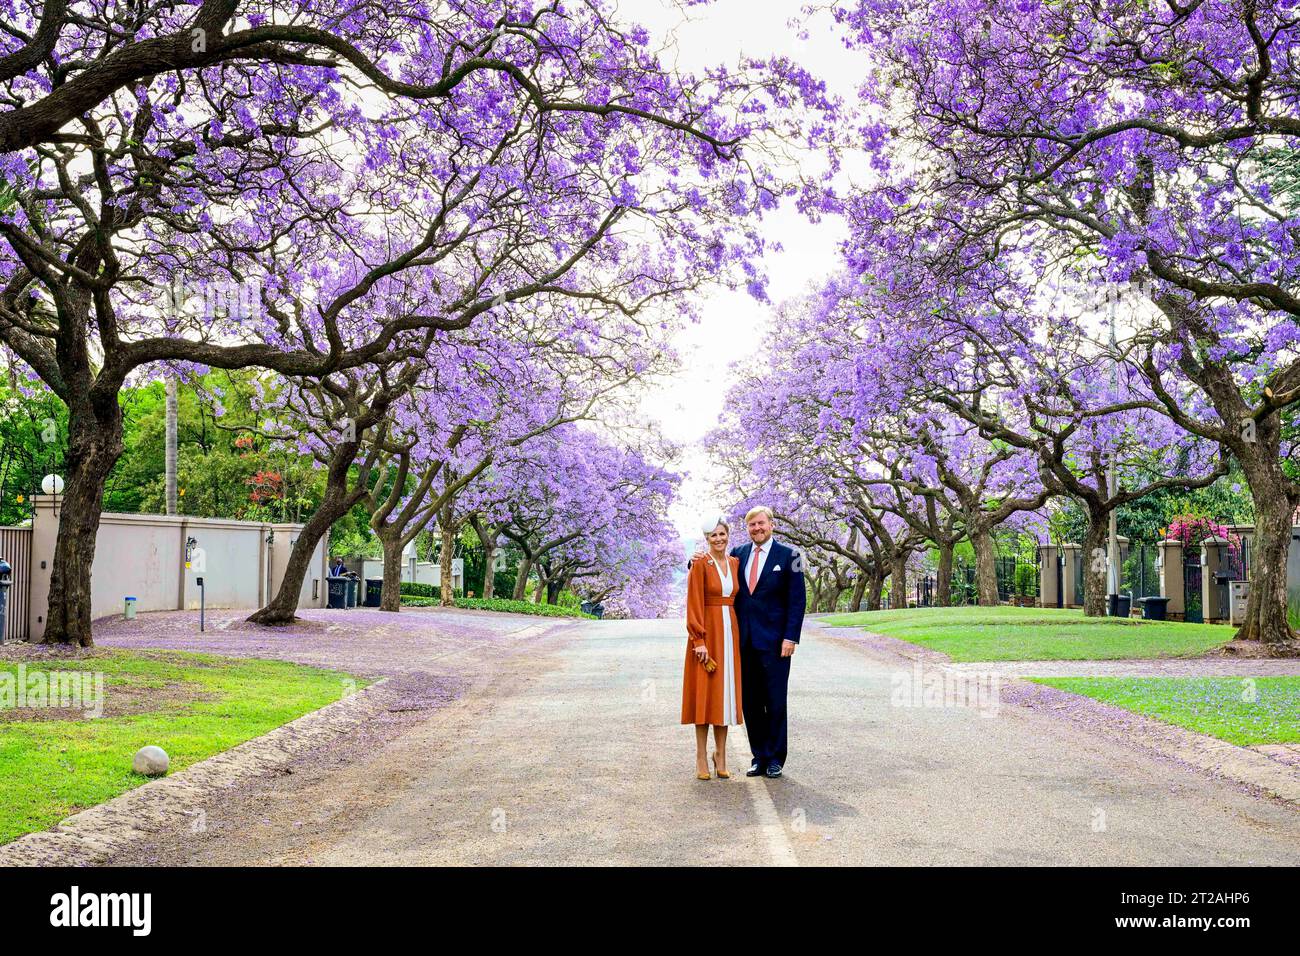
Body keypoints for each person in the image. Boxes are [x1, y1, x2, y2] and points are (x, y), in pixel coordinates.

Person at [692, 506, 805, 778]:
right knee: (751, 703)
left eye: (761, 524)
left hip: (777, 643)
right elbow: (714, 570)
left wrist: (791, 637)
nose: (757, 528)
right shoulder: (737, 555)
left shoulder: (791, 556)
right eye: (752, 525)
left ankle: (776, 758)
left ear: (772, 525)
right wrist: (692, 561)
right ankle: (760, 756)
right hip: (742, 643)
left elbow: (797, 601)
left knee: (775, 702)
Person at [682, 516, 743, 780]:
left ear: (728, 536)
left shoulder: (735, 563)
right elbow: (694, 602)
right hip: (707, 635)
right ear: (706, 539)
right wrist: (699, 641)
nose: (718, 539)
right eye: (713, 536)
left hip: (730, 634)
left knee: (724, 696)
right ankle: (699, 756)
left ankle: (721, 754)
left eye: (722, 534)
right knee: (704, 696)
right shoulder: (700, 564)